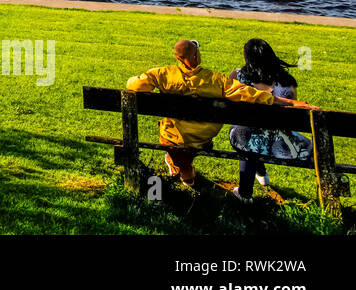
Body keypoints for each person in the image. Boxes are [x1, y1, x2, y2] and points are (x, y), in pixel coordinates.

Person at [126, 40, 316, 185]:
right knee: (190, 160)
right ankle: (185, 168)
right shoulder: (216, 81)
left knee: (186, 172)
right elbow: (250, 94)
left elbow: (134, 84)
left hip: (173, 138)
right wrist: (290, 102)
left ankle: (184, 171)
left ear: (178, 59)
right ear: (195, 57)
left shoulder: (163, 75)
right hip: (203, 139)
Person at [229, 38, 313, 200]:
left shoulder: (237, 76)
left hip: (242, 137)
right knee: (259, 133)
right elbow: (290, 117)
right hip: (279, 142)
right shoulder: (288, 82)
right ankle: (261, 174)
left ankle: (245, 194)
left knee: (249, 135)